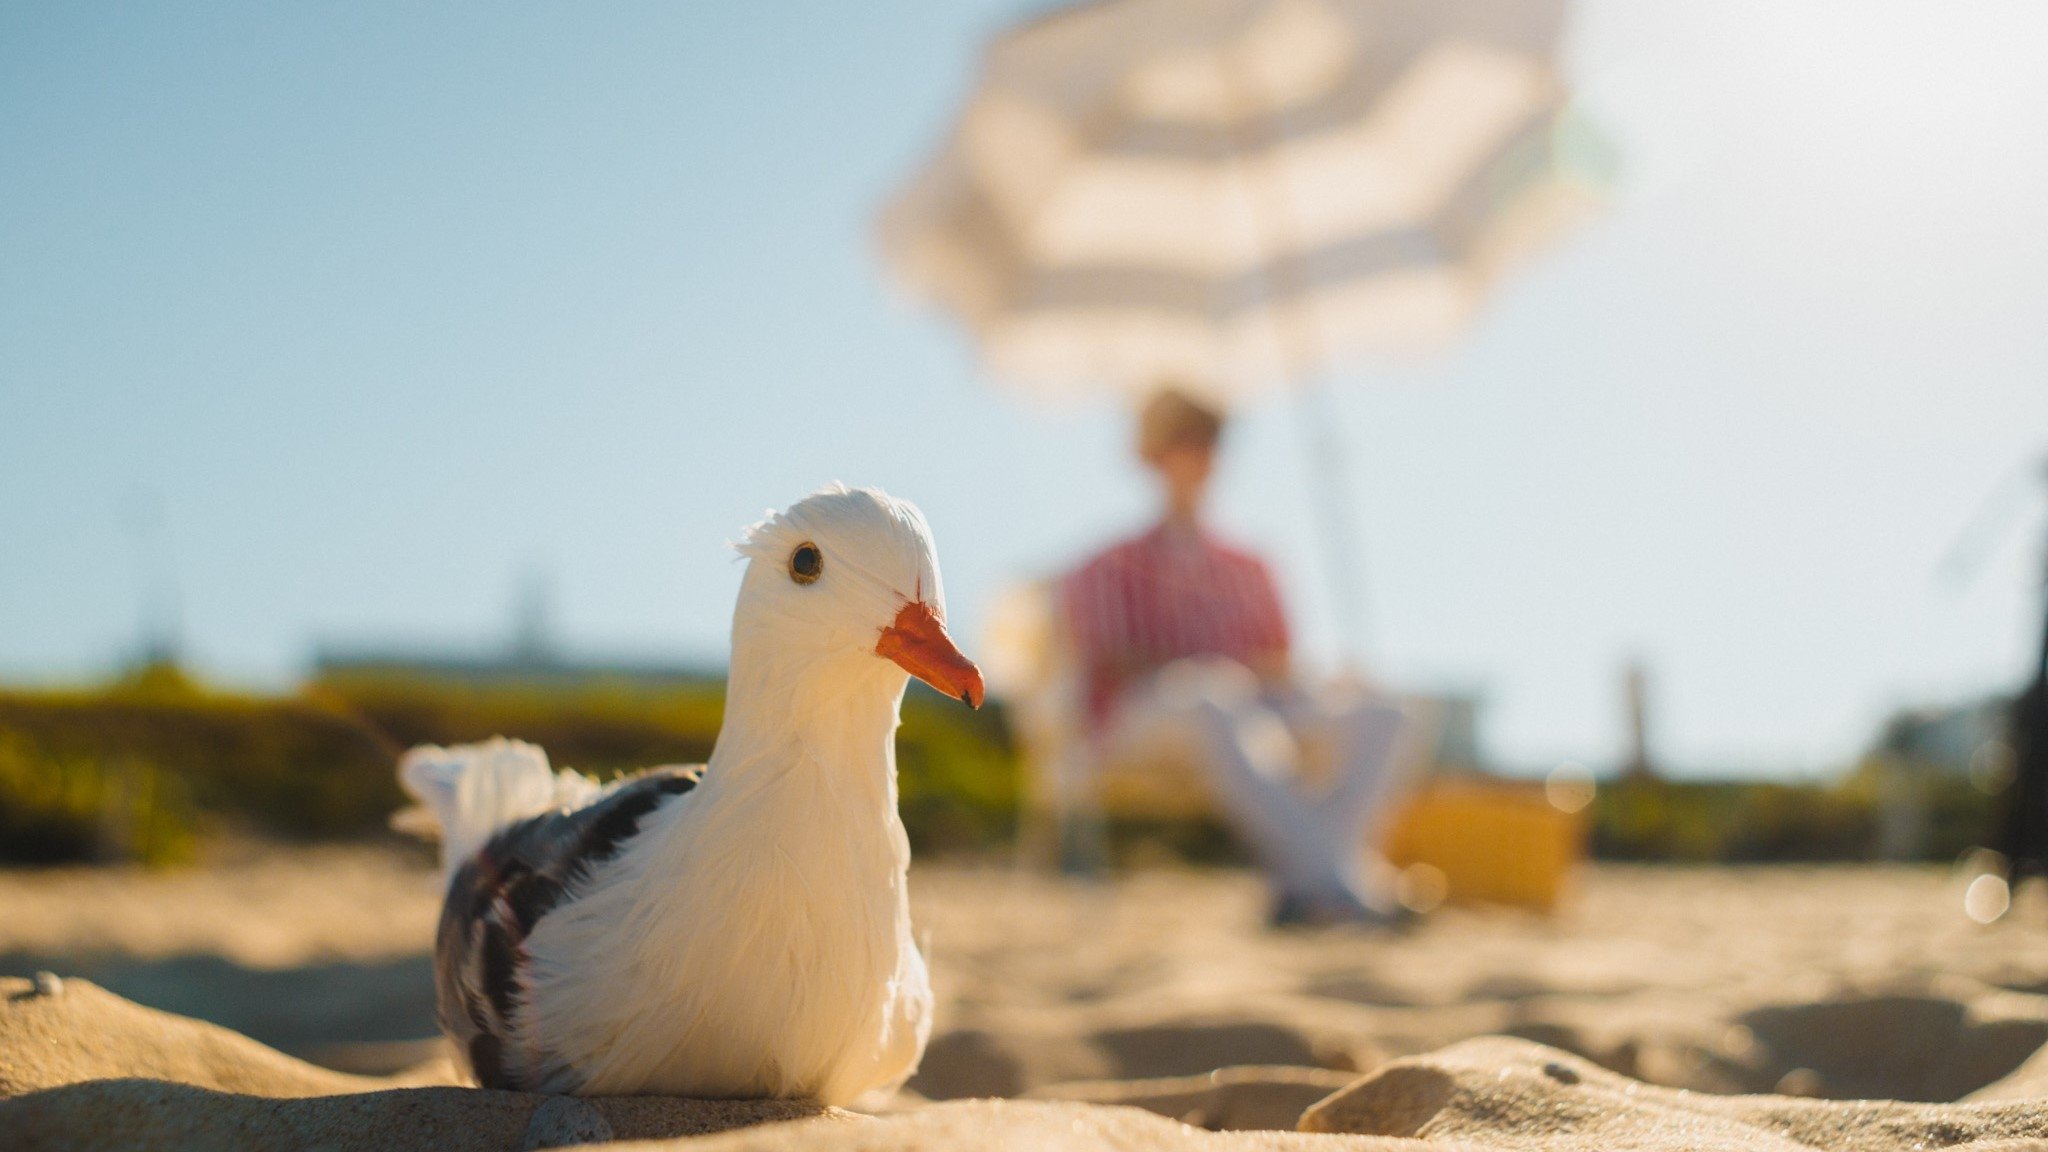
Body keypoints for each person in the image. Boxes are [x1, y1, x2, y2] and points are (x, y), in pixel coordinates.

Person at [1058, 386, 1409, 926]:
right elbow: (1106, 662)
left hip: (1258, 712)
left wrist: (1320, 682)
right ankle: (1341, 883)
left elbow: (1281, 663)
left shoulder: (1253, 566)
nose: (1199, 454)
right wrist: (1210, 666)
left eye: (1209, 441)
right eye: (1183, 439)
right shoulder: (1105, 565)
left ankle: (1313, 885)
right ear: (1152, 453)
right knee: (1209, 696)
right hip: (1144, 724)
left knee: (1382, 714)